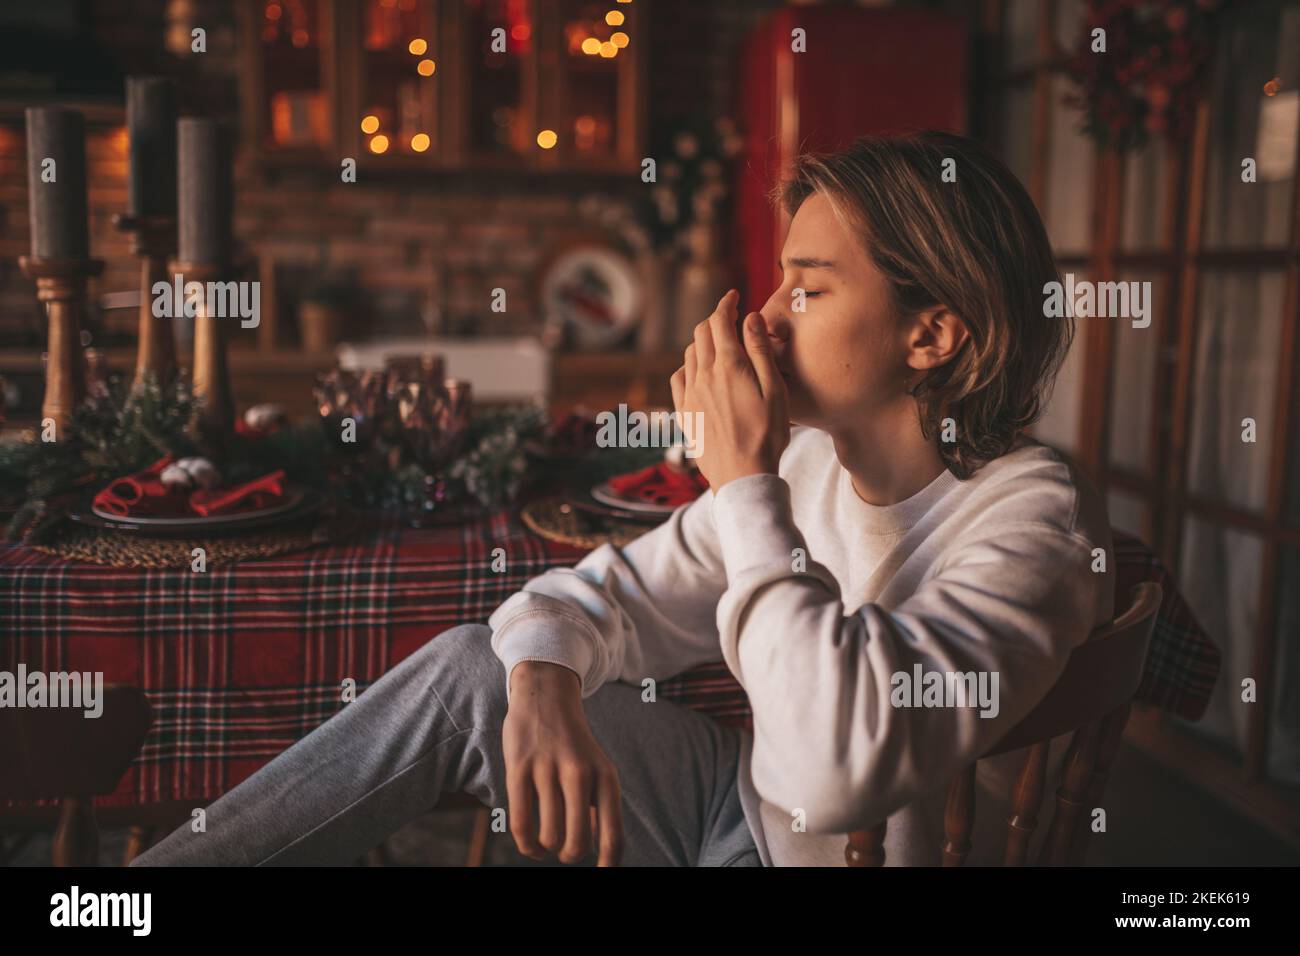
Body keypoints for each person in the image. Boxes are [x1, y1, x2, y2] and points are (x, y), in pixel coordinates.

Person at [132, 131, 1113, 867]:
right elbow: (575, 600)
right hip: (733, 801)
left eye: (807, 291)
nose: (763, 320)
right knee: (472, 664)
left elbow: (832, 773)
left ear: (931, 333)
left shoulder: (1032, 520)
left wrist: (744, 483)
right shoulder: (813, 467)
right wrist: (544, 687)